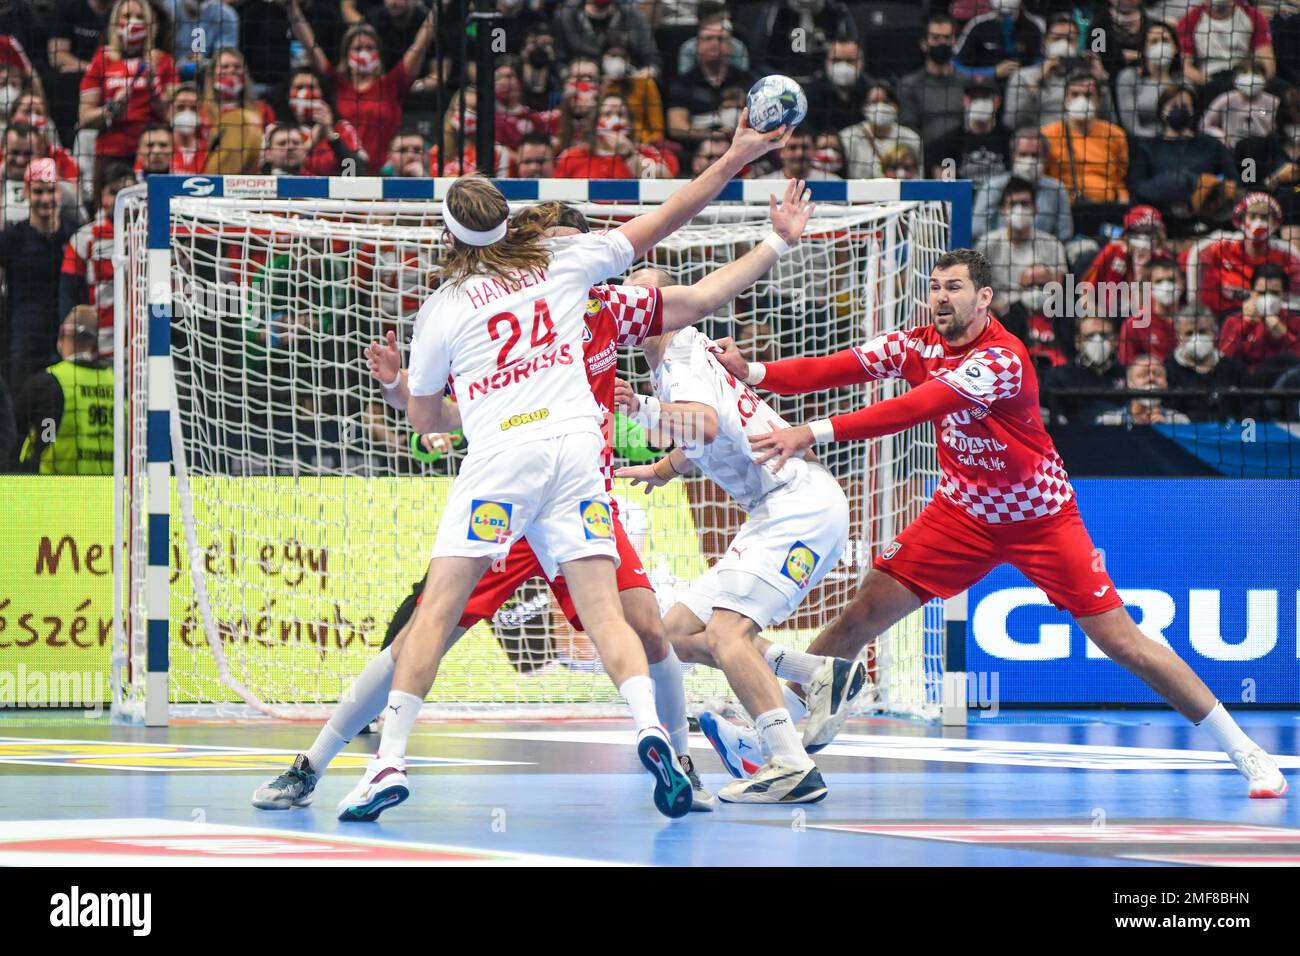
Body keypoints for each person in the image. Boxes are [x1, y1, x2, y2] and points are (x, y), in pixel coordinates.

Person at [253, 188, 819, 812]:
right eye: (560, 240)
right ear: (537, 245)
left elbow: (701, 298)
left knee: (649, 631)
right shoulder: (542, 289)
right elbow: (447, 410)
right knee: (423, 636)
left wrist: (649, 417)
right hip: (541, 493)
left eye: (579, 243)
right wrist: (395, 386)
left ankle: (678, 759)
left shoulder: (609, 307)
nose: (573, 250)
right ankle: (311, 763)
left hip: (568, 484)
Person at [707, 248, 1287, 798]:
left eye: (953, 288)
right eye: (934, 287)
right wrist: (753, 369)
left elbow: (913, 408)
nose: (940, 297)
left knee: (1123, 643)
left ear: (983, 297)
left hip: (1040, 519)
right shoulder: (917, 342)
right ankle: (776, 742)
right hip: (961, 514)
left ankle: (1245, 751)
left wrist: (810, 433)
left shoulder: (1001, 360)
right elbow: (837, 367)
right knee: (859, 615)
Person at [614, 259, 856, 802]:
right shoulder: (684, 356)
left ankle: (790, 764)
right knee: (675, 632)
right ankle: (815, 673)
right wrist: (659, 469)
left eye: (645, 294)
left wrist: (641, 408)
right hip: (780, 505)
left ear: (669, 306)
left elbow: (699, 423)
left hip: (795, 502)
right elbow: (710, 435)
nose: (634, 303)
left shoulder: (679, 358)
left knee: (726, 635)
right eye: (628, 294)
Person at [288, 0, 436, 174]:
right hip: (346, 171)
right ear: (346, 53)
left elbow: (419, 45)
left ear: (378, 53)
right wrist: (291, 6)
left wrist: (438, 10)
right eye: (358, 48)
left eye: (369, 47)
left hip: (384, 174)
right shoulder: (338, 84)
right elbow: (310, 44)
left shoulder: (392, 84)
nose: (364, 53)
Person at [77, 0, 177, 187]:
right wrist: (111, 108)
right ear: (116, 22)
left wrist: (154, 90)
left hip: (152, 155)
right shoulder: (102, 59)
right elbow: (84, 117)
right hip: (111, 153)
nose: (134, 22)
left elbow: (172, 117)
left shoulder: (163, 62)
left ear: (149, 24)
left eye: (140, 17)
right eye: (127, 16)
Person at [0, 158, 80, 390]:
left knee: (57, 416)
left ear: (59, 192)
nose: (45, 199)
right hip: (25, 341)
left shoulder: (73, 234)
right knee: (23, 414)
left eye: (50, 190)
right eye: (38, 191)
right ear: (26, 192)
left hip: (64, 340)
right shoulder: (11, 238)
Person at [1128, 85, 1238, 236]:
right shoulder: (1146, 147)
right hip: (1160, 221)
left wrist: (1206, 190)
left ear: (1193, 111)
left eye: (1185, 106)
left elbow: (1234, 179)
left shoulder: (1211, 144)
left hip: (1207, 220)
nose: (1179, 110)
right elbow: (1137, 187)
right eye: (1173, 105)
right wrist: (1177, 184)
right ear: (1162, 109)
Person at [14, 306, 113, 474]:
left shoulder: (48, 382)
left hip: (55, 490)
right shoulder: (117, 383)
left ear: (62, 334)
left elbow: (16, 426)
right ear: (95, 342)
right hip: (109, 489)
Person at [59, 163, 134, 361]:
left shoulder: (155, 239)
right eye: (114, 192)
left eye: (128, 192)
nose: (122, 200)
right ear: (101, 196)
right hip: (98, 349)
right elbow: (68, 296)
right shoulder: (84, 237)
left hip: (143, 348)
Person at [1183, 192, 1300, 316]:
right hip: (1222, 320)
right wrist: (1193, 303)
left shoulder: (1287, 254)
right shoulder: (1219, 246)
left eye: (1265, 218)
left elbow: (1296, 300)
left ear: (1275, 223)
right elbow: (1195, 257)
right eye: (1253, 216)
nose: (1259, 223)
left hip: (1271, 319)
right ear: (1241, 220)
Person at [1040, 72, 1130, 235]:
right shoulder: (1047, 134)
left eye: (1088, 95)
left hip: (1106, 210)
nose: (1081, 100)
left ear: (1098, 100)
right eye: (1075, 94)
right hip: (1066, 211)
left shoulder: (1116, 134)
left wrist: (1123, 205)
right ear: (1065, 99)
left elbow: (1120, 178)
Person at [1003, 14, 1117, 133]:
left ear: (1078, 44)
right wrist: (1037, 81)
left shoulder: (1088, 77)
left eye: (1069, 40)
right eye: (1056, 39)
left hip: (1081, 143)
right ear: (1045, 42)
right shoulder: (1023, 76)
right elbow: (1012, 122)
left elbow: (1109, 120)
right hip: (1041, 144)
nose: (1063, 45)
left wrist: (1101, 80)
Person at [975, 177, 1069, 316]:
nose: (1019, 209)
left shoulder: (1052, 245)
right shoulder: (986, 245)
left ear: (1035, 209)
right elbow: (975, 293)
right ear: (1002, 210)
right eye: (1013, 204)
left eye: (1025, 204)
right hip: (999, 317)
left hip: (1041, 314)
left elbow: (1058, 289)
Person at [666, 12, 755, 149]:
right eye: (708, 39)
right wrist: (713, 135)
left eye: (720, 39)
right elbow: (676, 127)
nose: (714, 44)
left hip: (741, 148)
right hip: (697, 152)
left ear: (730, 47)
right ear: (697, 47)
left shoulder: (746, 81)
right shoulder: (682, 83)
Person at [973, 128, 1073, 241]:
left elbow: (1065, 234)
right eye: (1023, 155)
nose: (1029, 160)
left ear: (1045, 157)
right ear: (1013, 156)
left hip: (1045, 254)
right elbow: (978, 230)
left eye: (1035, 155)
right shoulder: (992, 187)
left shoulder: (1057, 189)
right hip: (999, 253)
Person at [555, 93, 675, 179]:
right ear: (595, 122)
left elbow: (665, 180)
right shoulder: (572, 155)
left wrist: (629, 155)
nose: (615, 120)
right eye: (607, 114)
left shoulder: (645, 151)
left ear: (629, 121)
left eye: (620, 114)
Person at [1217, 262, 1300, 377]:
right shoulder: (1234, 321)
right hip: (1246, 383)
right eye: (1261, 293)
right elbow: (1223, 361)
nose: (1267, 298)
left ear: (1284, 295)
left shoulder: (1296, 321)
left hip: (1283, 383)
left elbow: (1297, 363)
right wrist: (1245, 325)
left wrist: (1283, 335)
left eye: (1274, 293)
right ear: (1251, 293)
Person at [1042, 315, 1128, 423]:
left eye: (1104, 335)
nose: (1098, 340)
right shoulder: (1059, 376)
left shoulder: (1126, 374)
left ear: (1115, 340)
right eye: (1090, 336)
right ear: (1078, 342)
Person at [200, 47, 273, 175]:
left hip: (251, 179)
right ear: (212, 73)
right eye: (225, 67)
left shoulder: (262, 109)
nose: (231, 70)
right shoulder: (201, 111)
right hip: (208, 179)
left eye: (237, 66)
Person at [897, 13, 966, 144]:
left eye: (946, 38)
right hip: (925, 155)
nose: (942, 43)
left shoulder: (967, 83)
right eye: (935, 38)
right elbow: (909, 130)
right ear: (924, 44)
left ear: (954, 42)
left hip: (959, 156)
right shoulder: (909, 85)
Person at [282, 68, 366, 176]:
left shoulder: (342, 129)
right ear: (287, 93)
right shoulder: (278, 130)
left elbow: (356, 171)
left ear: (323, 92)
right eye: (299, 88)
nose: (305, 94)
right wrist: (310, 145)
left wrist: (331, 136)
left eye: (311, 88)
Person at [748, 0, 858, 82]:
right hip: (781, 81)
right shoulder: (775, 9)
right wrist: (781, 78)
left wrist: (822, 78)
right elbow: (758, 59)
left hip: (826, 84)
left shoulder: (837, 10)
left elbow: (855, 52)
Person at [1174, 0, 1275, 88]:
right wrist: (1209, 83)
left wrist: (1260, 83)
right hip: (1210, 76)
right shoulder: (1189, 20)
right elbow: (1186, 67)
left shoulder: (1253, 15)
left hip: (1244, 74)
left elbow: (1266, 58)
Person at [928, 75, 1010, 183]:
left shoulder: (1009, 138)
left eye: (985, 97)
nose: (980, 102)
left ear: (997, 101)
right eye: (975, 97)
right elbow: (944, 188)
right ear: (965, 101)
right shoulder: (947, 142)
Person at [1115, 21, 1191, 138]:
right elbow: (1131, 127)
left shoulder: (1183, 83)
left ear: (1175, 48)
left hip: (1178, 143)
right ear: (1144, 49)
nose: (1160, 46)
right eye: (1154, 42)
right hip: (1142, 145)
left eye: (1165, 41)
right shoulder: (1129, 78)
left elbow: (1188, 124)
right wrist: (1161, 139)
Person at [1163, 312, 1245, 420]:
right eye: (1189, 333)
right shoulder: (1167, 368)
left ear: (1215, 334)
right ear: (1179, 338)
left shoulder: (1234, 368)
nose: (1196, 338)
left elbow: (1249, 407)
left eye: (1202, 332)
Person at [839, 81, 923, 180]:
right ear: (865, 107)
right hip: (859, 194)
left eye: (886, 101)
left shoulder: (911, 138)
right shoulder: (847, 137)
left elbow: (919, 178)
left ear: (896, 106)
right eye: (874, 102)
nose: (880, 107)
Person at [552, 0, 659, 75]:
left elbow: (652, 61)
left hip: (625, 86)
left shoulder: (635, 16)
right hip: (581, 85)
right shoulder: (565, 16)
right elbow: (558, 61)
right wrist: (571, 73)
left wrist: (643, 74)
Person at [954, 0, 1045, 81]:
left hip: (1023, 88)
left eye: (1009, 14)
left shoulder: (1034, 26)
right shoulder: (977, 25)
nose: (1006, 19)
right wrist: (992, 72)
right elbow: (956, 68)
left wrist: (1022, 76)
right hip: (984, 89)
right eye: (1001, 15)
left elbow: (1042, 64)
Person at [1117, 254, 1183, 364]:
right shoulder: (1135, 324)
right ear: (1150, 286)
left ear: (1182, 284)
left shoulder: (1193, 320)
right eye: (1159, 281)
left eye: (1171, 280)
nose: (1166, 286)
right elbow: (1127, 366)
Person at [1200, 59, 1278, 149]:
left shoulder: (1273, 102)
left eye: (1256, 73)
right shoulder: (1226, 99)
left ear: (1265, 78)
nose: (1250, 77)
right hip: (1231, 150)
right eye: (1244, 73)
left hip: (1264, 151)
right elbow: (1204, 125)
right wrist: (1221, 136)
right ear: (1234, 79)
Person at [1094, 354, 1192, 425]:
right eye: (1142, 375)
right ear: (1129, 384)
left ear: (1165, 384)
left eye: (1158, 374)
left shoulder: (1179, 421)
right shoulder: (1107, 421)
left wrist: (1165, 432)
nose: (1151, 379)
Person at [802, 38, 870, 134]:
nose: (843, 66)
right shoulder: (811, 93)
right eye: (837, 61)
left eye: (850, 61)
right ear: (827, 62)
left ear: (862, 62)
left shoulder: (871, 90)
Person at [758, 128, 839, 181]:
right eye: (792, 147)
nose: (799, 153)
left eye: (805, 147)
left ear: (814, 150)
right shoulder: (762, 185)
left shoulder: (834, 183)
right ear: (780, 152)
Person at [168, 83, 207, 174]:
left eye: (193, 108)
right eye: (181, 107)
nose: (187, 113)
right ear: (170, 110)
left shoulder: (210, 151)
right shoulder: (159, 146)